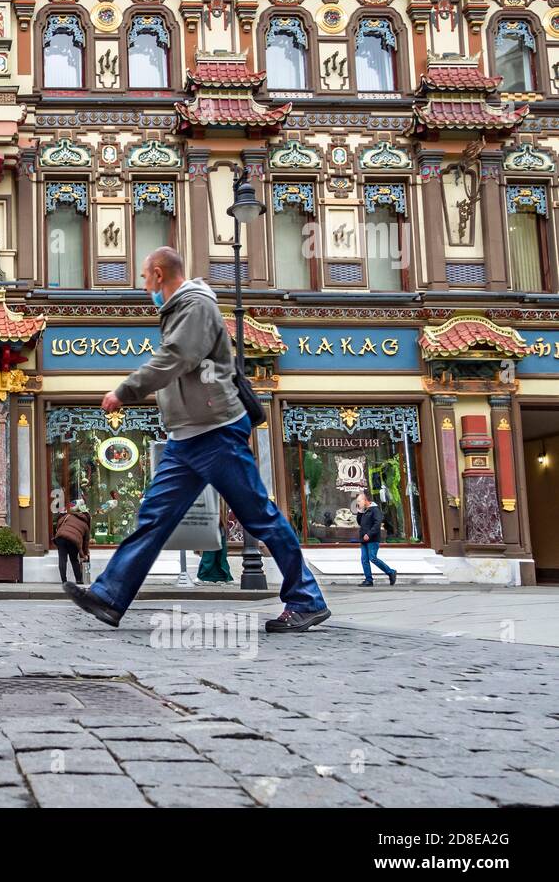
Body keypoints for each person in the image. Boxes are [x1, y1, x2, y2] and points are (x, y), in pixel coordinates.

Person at [63, 247, 330, 633]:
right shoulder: (179, 309)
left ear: (158, 274)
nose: (143, 286)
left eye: (143, 277)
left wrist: (125, 391)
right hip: (187, 436)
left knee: (260, 516)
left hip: (216, 431)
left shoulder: (195, 306)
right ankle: (109, 596)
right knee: (152, 519)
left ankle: (306, 600)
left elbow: (175, 359)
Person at [356, 489, 397, 586]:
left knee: (373, 558)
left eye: (359, 501)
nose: (358, 503)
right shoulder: (364, 511)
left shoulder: (375, 510)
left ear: (365, 500)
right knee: (364, 559)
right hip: (364, 539)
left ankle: (391, 572)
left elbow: (377, 524)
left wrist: (369, 534)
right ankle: (368, 580)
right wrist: (359, 512)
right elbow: (360, 522)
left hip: (372, 540)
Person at [52, 502, 92, 584]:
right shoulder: (85, 526)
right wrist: (85, 554)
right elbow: (86, 542)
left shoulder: (68, 516)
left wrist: (60, 531)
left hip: (61, 537)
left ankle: (64, 581)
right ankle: (79, 579)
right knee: (74, 559)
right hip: (73, 540)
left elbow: (59, 522)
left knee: (62, 559)